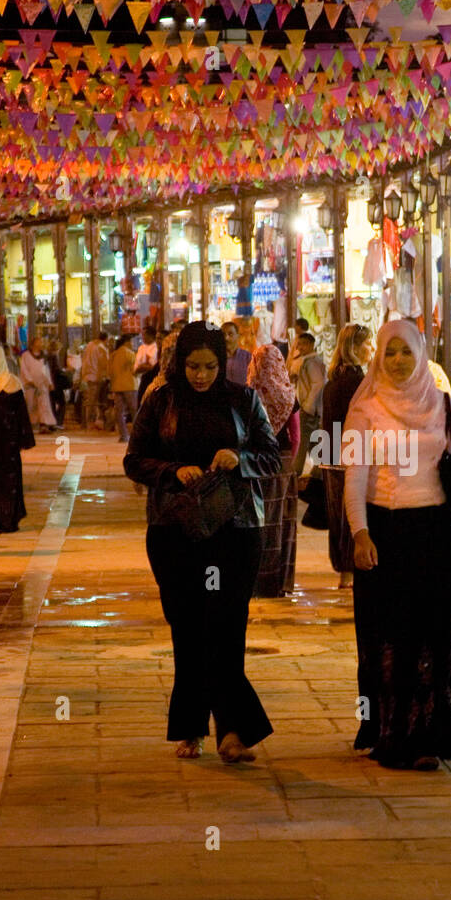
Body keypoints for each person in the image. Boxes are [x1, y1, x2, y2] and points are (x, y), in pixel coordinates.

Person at [123, 321, 282, 763]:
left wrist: (240, 458)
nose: (200, 375)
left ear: (222, 363)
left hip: (234, 532)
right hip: (175, 531)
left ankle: (232, 731)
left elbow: (272, 456)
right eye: (192, 366)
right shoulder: (160, 400)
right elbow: (133, 460)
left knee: (227, 626)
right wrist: (172, 472)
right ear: (180, 363)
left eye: (210, 366)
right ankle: (190, 727)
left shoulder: (243, 399)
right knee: (188, 628)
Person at [345, 319, 451, 771]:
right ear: (378, 356)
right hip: (386, 532)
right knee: (393, 635)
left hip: (434, 530)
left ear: (421, 353)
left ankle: (433, 732)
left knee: (435, 632)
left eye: (407, 351)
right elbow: (355, 478)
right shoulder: (366, 407)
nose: (399, 361)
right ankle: (393, 733)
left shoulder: (441, 403)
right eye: (391, 352)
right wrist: (360, 533)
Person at [318, 322, 373, 587]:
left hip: (332, 454)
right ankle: (350, 572)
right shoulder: (357, 382)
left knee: (338, 516)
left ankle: (345, 573)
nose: (371, 348)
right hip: (350, 455)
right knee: (352, 513)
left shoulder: (334, 380)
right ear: (354, 347)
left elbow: (326, 423)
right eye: (366, 343)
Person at [246, 343, 300, 597]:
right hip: (283, 461)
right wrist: (290, 463)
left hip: (256, 461)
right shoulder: (289, 396)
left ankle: (257, 580)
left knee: (258, 520)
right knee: (283, 521)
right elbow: (296, 436)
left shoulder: (249, 394)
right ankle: (280, 582)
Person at [0, 345, 35, 534]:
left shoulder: (13, 383)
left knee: (8, 482)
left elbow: (21, 415)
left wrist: (23, 439)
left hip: (8, 442)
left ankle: (8, 520)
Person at [289, 331, 326, 477]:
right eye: (299, 345)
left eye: (303, 344)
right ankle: (319, 470)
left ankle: (295, 472)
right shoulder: (307, 361)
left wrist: (307, 406)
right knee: (312, 441)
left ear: (311, 344)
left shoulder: (312, 362)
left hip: (309, 409)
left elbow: (317, 385)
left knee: (302, 442)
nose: (300, 348)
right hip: (310, 409)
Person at [20, 336, 58, 432]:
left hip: (41, 384)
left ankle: (44, 423)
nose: (41, 344)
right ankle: (31, 424)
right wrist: (29, 380)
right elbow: (24, 369)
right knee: (31, 405)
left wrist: (49, 382)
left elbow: (46, 370)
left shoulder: (43, 356)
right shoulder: (26, 355)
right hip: (30, 385)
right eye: (38, 342)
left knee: (44, 404)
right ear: (33, 344)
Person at [109, 334, 138, 442]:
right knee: (134, 411)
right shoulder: (130, 354)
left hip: (117, 386)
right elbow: (134, 370)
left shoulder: (114, 354)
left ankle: (124, 435)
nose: (132, 344)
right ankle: (136, 435)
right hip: (130, 385)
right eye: (131, 342)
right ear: (127, 342)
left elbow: (110, 372)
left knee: (119, 412)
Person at [80, 331, 110, 429]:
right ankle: (90, 422)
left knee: (89, 400)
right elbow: (105, 364)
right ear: (105, 339)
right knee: (94, 401)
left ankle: (87, 422)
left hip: (86, 376)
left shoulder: (89, 345)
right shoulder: (101, 348)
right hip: (96, 377)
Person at [45, 338, 70, 427]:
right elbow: (57, 370)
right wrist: (65, 371)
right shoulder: (54, 356)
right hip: (56, 383)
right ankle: (58, 422)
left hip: (50, 382)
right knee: (62, 403)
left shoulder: (46, 356)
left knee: (52, 403)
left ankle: (53, 421)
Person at [223, 321, 251, 386]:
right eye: (223, 334)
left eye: (230, 334)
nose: (226, 338)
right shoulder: (216, 358)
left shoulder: (247, 357)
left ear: (238, 336)